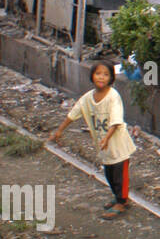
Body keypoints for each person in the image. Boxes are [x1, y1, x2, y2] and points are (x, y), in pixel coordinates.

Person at [50, 60, 136, 219]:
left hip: (117, 144)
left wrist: (107, 138)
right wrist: (59, 131)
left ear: (111, 78)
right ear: (92, 76)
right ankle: (118, 197)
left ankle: (122, 202)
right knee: (109, 174)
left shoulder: (113, 96)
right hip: (103, 145)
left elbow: (116, 120)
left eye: (105, 74)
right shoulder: (88, 98)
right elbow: (73, 113)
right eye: (98, 74)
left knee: (119, 174)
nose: (101, 77)